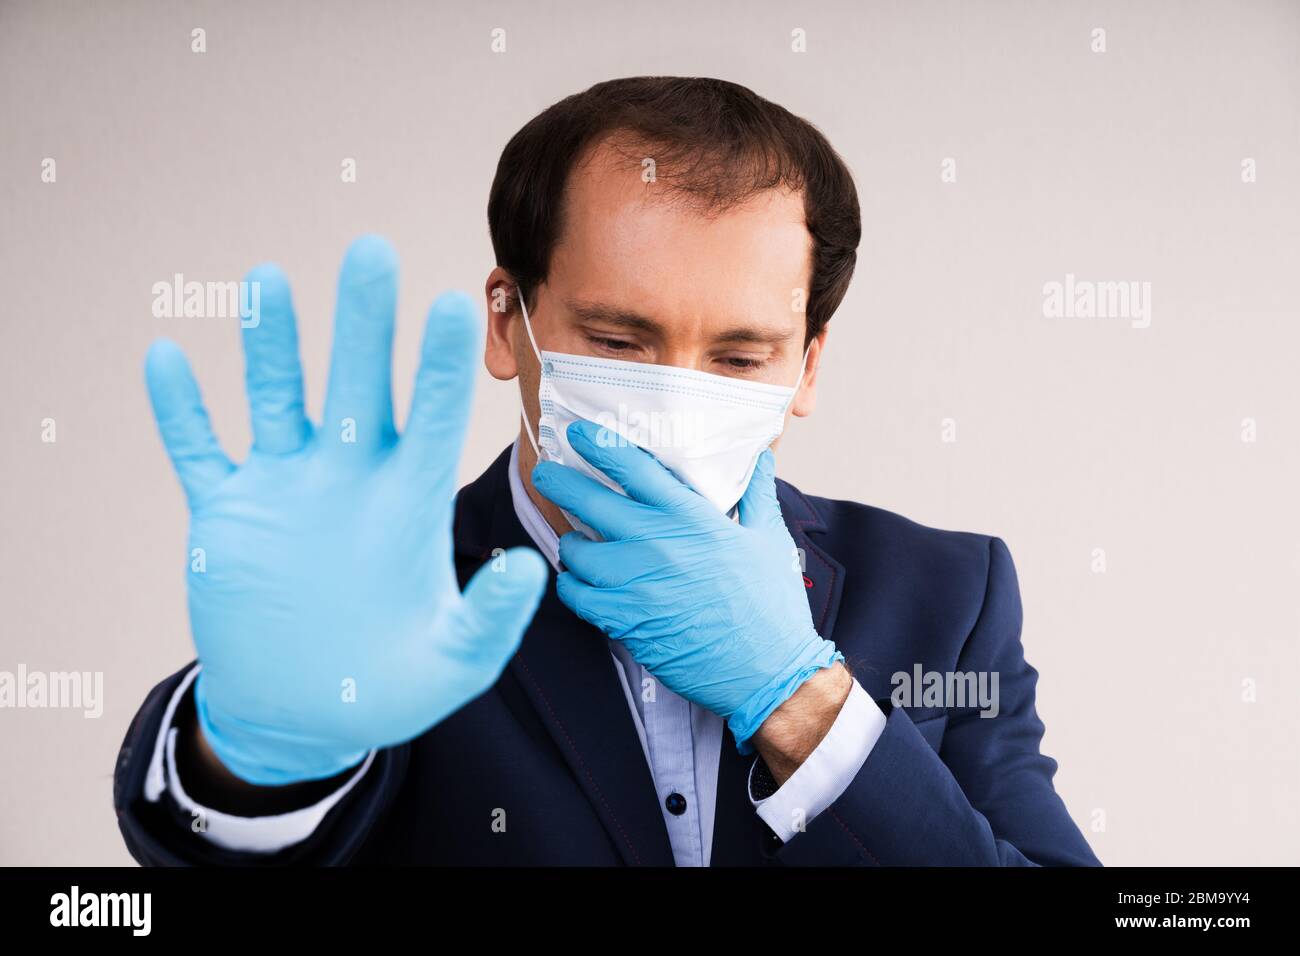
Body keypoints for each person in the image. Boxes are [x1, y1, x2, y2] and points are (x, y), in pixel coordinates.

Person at [114, 76, 1100, 866]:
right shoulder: (387, 589)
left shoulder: (945, 594)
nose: (675, 396)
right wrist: (253, 759)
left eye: (739, 355)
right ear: (510, 320)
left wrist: (798, 699)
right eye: (620, 338)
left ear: (806, 366)